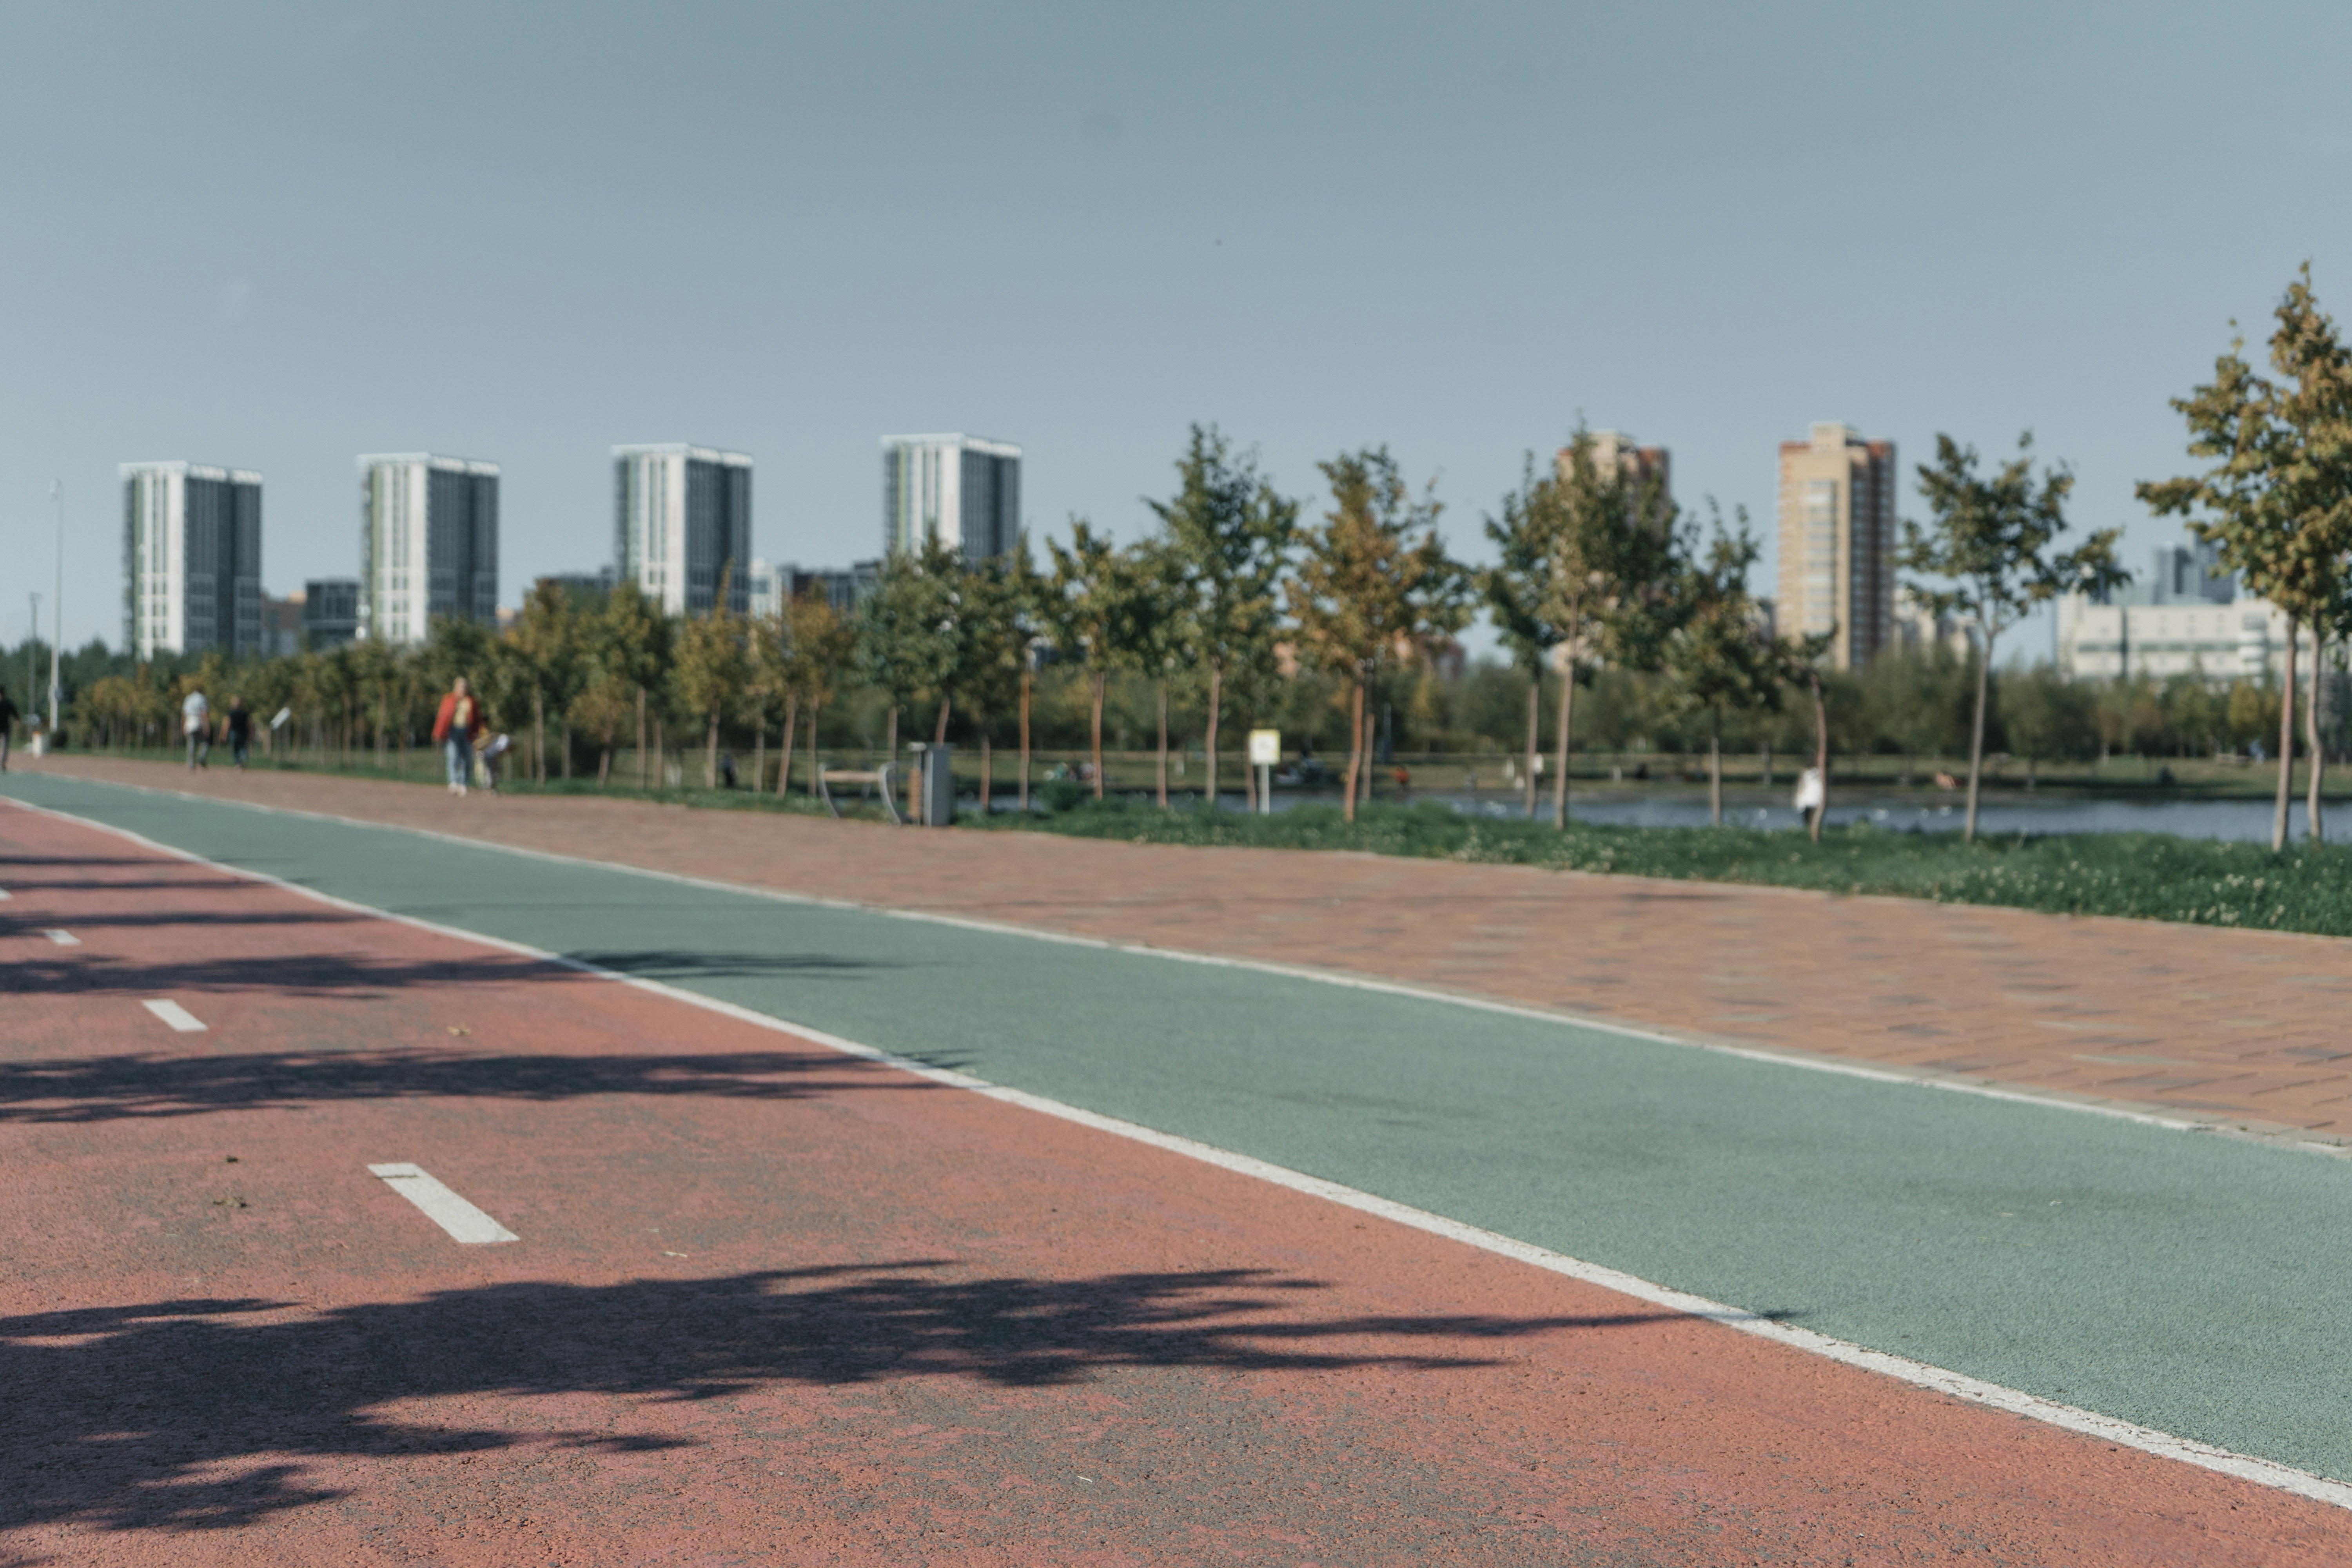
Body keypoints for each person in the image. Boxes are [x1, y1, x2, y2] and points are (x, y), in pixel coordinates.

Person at [432, 677, 480, 797]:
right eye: (461, 686)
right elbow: (442, 717)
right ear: (456, 687)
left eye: (465, 687)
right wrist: (438, 732)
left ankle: (463, 783)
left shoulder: (471, 701)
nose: (463, 689)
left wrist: (477, 733)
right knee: (453, 756)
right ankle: (453, 783)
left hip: (466, 731)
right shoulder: (449, 699)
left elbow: (476, 719)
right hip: (453, 731)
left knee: (466, 758)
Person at [181, 688, 211, 770]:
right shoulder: (201, 698)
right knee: (205, 742)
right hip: (199, 722)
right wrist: (206, 726)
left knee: (191, 744)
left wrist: (183, 726)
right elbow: (203, 712)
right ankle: (202, 758)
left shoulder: (188, 698)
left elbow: (184, 713)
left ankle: (191, 765)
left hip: (189, 723)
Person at [222, 696, 253, 770]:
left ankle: (238, 764)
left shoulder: (231, 713)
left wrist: (224, 734)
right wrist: (251, 734)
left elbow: (227, 724)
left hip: (234, 733)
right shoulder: (245, 713)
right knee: (243, 748)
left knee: (235, 749)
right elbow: (249, 725)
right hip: (243, 733)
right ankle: (243, 761)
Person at [0, 682, 17, 772]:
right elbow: (15, 713)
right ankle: (3, 764)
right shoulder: (8, 703)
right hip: (5, 728)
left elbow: (14, 713)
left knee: (5, 747)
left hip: (5, 728)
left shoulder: (7, 703)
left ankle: (3, 764)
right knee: (5, 747)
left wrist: (17, 720)